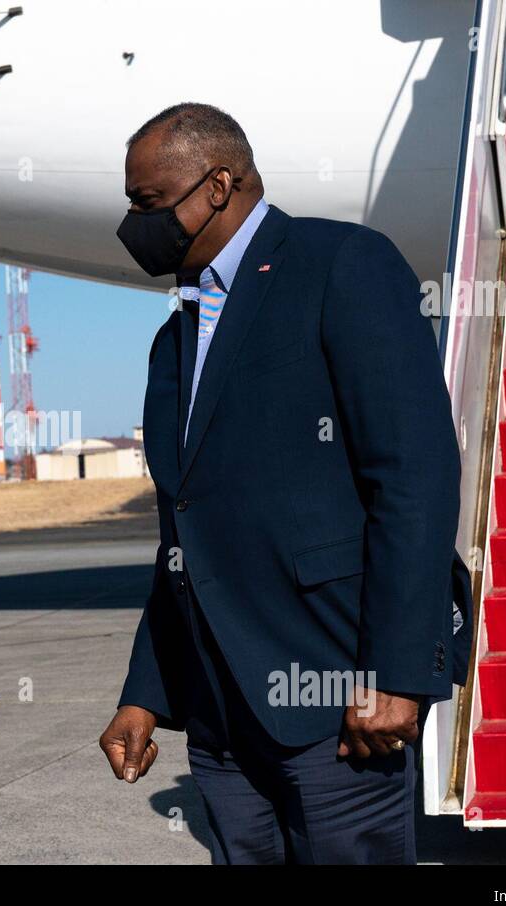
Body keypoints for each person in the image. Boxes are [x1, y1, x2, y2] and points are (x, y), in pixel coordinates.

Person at [99, 103, 472, 864]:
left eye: (147, 202)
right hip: (222, 721)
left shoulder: (341, 265)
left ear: (218, 184)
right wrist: (147, 690)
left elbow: (413, 476)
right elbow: (185, 530)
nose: (134, 223)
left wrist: (401, 673)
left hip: (337, 702)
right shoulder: (175, 338)